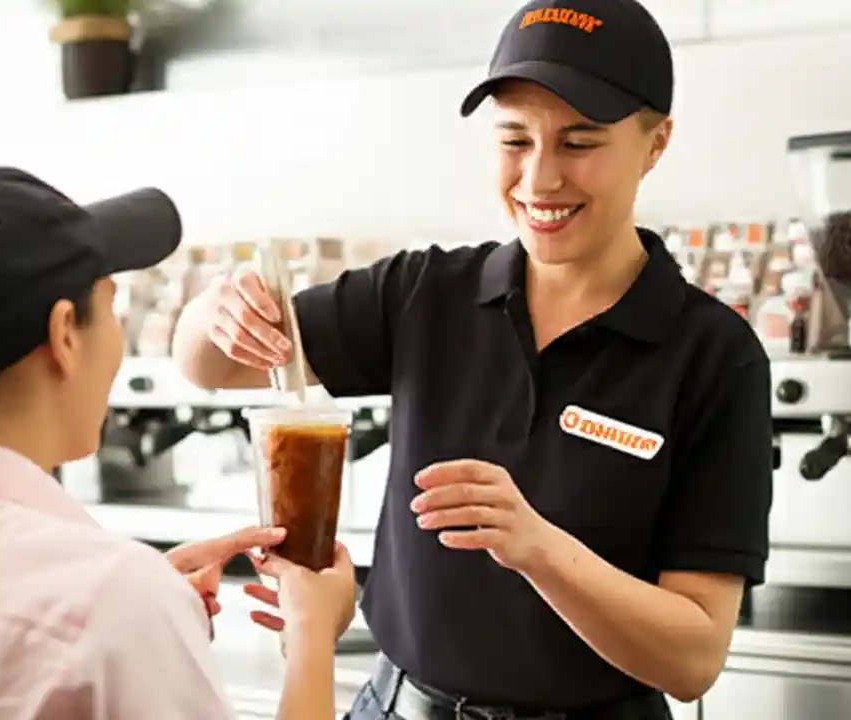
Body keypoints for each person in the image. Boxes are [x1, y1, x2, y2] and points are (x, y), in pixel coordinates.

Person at [170, 0, 774, 717]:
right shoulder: (424, 293)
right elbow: (208, 366)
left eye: (580, 143)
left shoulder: (712, 355)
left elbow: (694, 658)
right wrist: (217, 315)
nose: (541, 180)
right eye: (515, 140)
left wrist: (535, 546)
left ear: (656, 142)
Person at [0, 166, 356, 720]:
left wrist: (148, 602)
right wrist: (311, 642)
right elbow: (96, 606)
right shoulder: (117, 598)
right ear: (63, 336)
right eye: (109, 307)